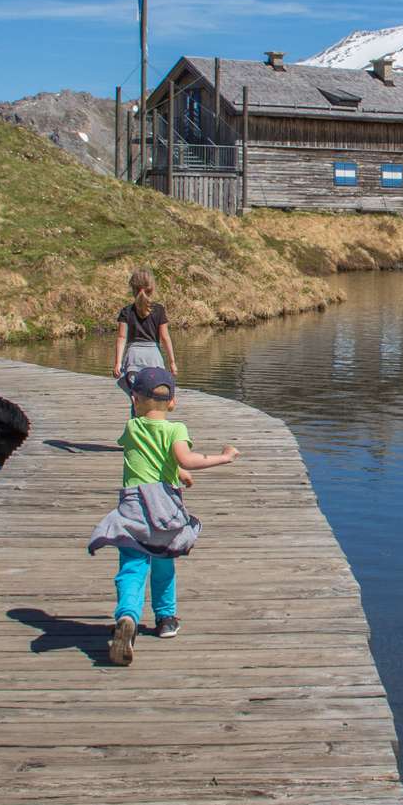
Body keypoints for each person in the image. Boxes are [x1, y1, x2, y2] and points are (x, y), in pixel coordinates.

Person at [85, 367, 238, 665]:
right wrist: (223, 457)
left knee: (132, 567)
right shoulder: (175, 429)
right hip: (165, 507)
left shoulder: (131, 428)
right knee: (164, 563)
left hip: (133, 507)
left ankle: (127, 616)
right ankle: (165, 618)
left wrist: (176, 470)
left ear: (134, 400)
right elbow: (185, 458)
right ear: (172, 403)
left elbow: (148, 454)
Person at [112, 268, 176, 398]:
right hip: (153, 357)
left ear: (133, 289)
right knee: (154, 397)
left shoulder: (126, 311)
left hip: (133, 357)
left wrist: (118, 363)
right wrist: (172, 362)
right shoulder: (159, 310)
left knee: (135, 397)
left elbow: (121, 337)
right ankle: (152, 418)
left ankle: (136, 417)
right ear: (151, 289)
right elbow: (165, 337)